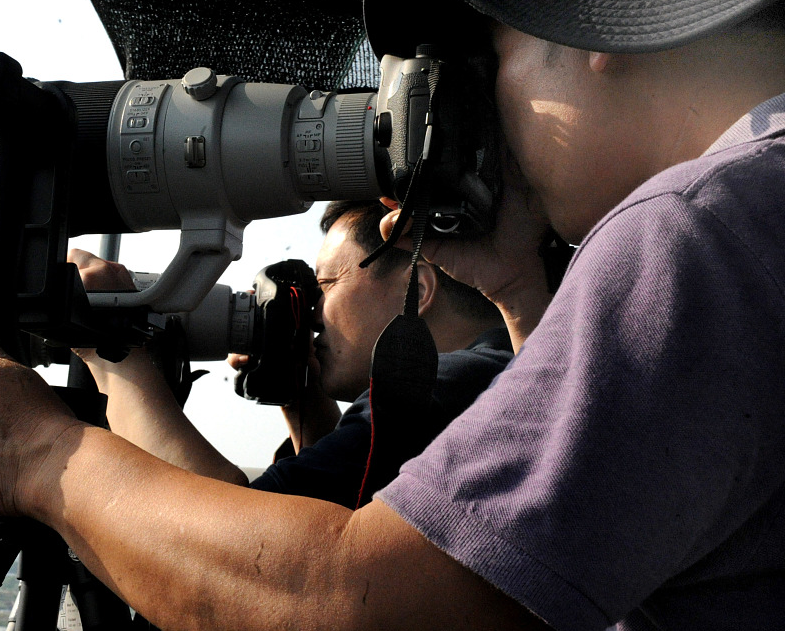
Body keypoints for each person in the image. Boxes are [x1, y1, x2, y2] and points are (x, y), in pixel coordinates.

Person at [0, 0, 785, 631]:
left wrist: (36, 453)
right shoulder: (751, 213)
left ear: (603, 24)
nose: (497, 95)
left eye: (502, 43)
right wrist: (521, 287)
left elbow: (350, 611)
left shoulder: (698, 227)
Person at [69, 199, 511, 509]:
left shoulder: (442, 391)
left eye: (326, 287)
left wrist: (114, 356)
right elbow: (332, 511)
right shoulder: (488, 385)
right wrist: (301, 397)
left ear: (418, 288)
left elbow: (238, 539)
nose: (314, 316)